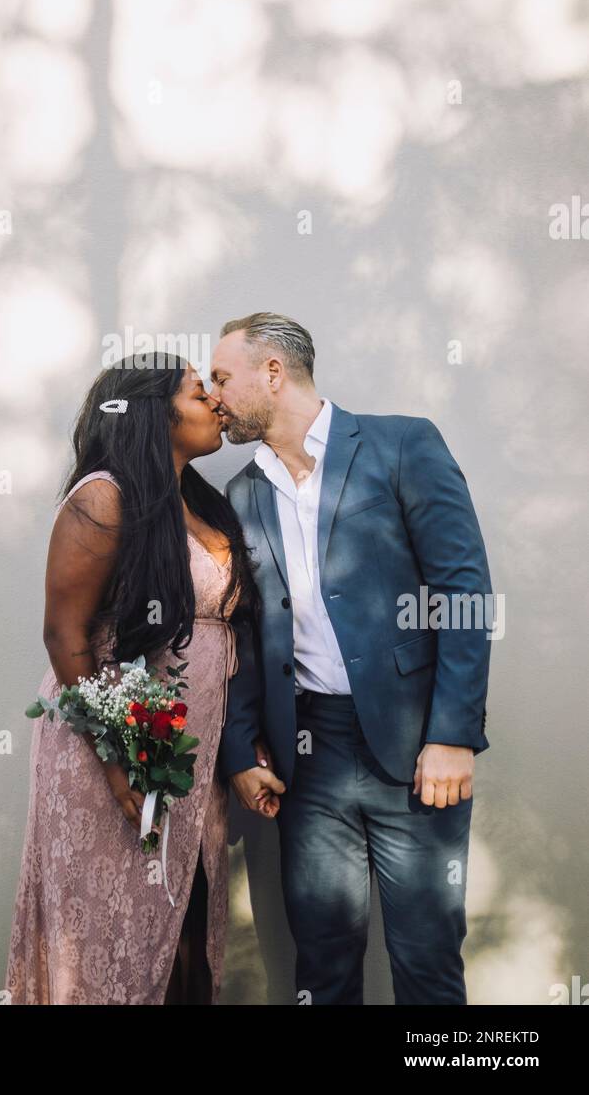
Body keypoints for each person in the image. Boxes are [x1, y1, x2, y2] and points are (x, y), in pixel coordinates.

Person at [211, 311, 494, 1005]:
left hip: (414, 747)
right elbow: (244, 635)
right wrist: (244, 751)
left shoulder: (403, 445)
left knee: (426, 960)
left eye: (222, 377)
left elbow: (464, 593)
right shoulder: (243, 493)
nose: (214, 396)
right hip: (310, 757)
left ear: (272, 373)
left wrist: (453, 734)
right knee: (324, 964)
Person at [3, 352, 276, 1004]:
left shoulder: (203, 505)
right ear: (151, 413)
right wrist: (122, 759)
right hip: (114, 756)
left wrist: (242, 745)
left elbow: (229, 642)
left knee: (184, 930)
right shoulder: (104, 495)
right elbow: (65, 635)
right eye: (195, 392)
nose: (215, 401)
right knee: (106, 937)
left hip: (193, 760)